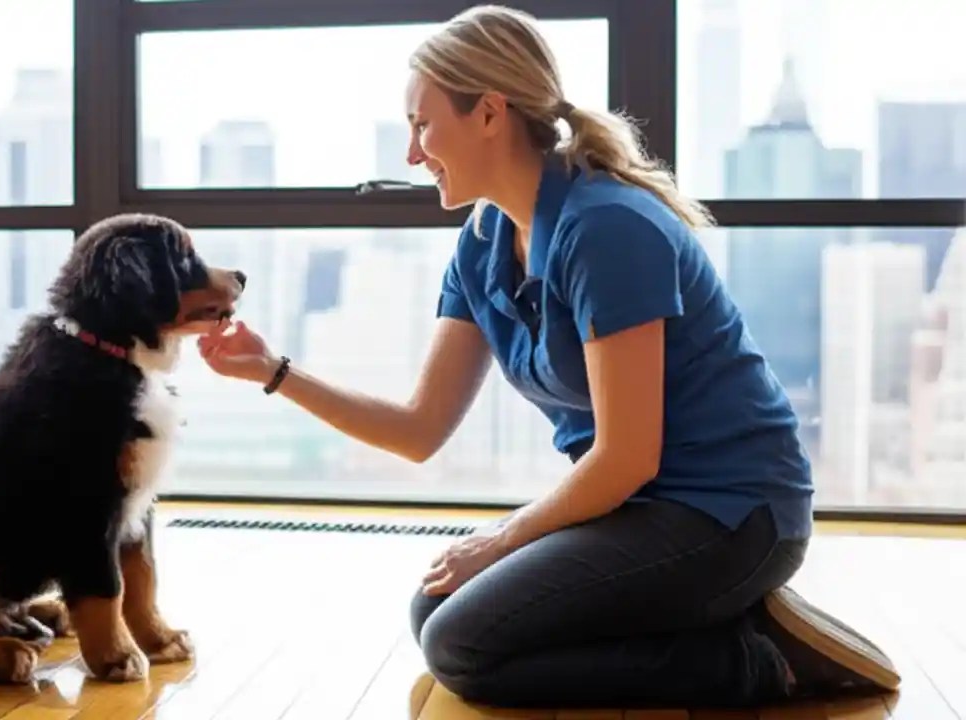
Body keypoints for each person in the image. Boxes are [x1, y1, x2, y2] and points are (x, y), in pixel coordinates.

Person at [196, 3, 900, 709]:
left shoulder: (607, 229)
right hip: (639, 508)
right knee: (434, 612)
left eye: (422, 124)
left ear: (491, 113)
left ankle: (751, 661)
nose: (411, 153)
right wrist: (273, 372)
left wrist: (499, 541)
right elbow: (418, 428)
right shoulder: (482, 242)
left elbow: (628, 457)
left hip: (732, 514)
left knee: (459, 644)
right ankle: (709, 613)